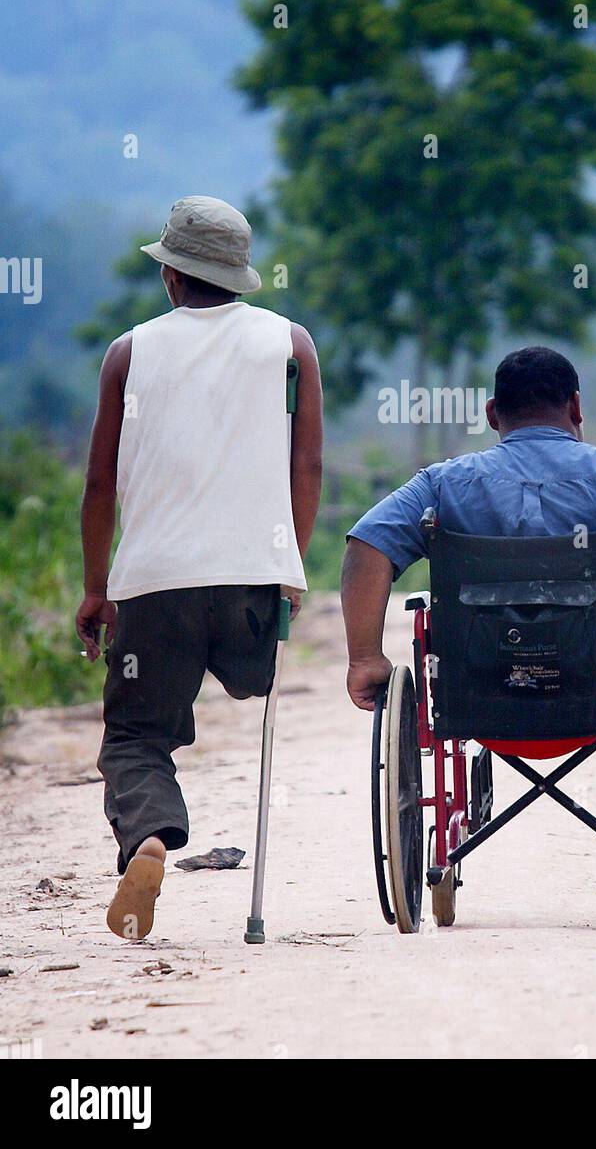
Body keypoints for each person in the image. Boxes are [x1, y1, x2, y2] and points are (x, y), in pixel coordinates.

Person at [76, 196, 322, 940]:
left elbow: (99, 484)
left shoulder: (129, 352)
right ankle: (242, 669)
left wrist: (96, 589)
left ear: (172, 278)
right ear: (238, 275)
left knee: (136, 737)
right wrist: (289, 565)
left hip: (154, 585)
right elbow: (306, 462)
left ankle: (148, 838)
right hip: (251, 579)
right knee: (251, 676)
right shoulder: (290, 344)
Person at [341, 346, 596, 712]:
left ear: (493, 414)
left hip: (476, 682)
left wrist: (364, 659)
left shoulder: (442, 485)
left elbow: (368, 543)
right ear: (576, 406)